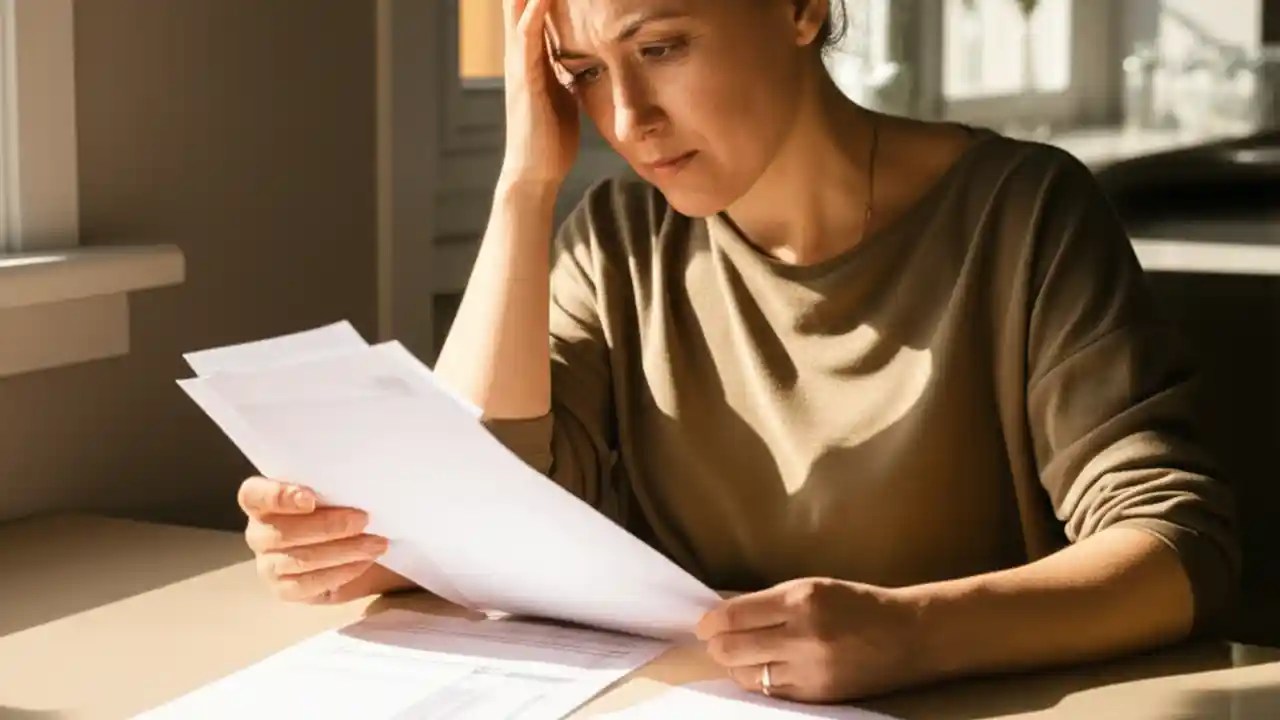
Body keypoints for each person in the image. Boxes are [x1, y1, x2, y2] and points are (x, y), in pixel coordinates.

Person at [235, 0, 1239, 704]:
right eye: (584, 73)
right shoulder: (617, 236)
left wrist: (911, 633)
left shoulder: (1020, 214)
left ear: (800, 6)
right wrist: (522, 189)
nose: (624, 121)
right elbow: (483, 505)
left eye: (661, 46)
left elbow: (1174, 551)